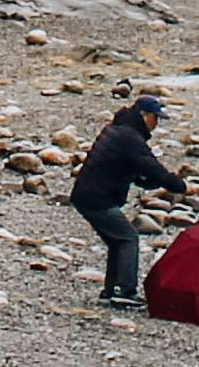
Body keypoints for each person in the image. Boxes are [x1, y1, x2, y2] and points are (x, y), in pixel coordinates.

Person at [68, 90, 185, 306]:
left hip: (87, 195)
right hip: (97, 199)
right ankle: (125, 291)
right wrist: (177, 185)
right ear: (143, 115)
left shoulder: (121, 131)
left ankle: (112, 289)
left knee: (117, 241)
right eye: (155, 117)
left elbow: (134, 169)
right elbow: (151, 166)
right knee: (128, 238)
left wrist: (150, 182)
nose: (156, 123)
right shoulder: (129, 137)